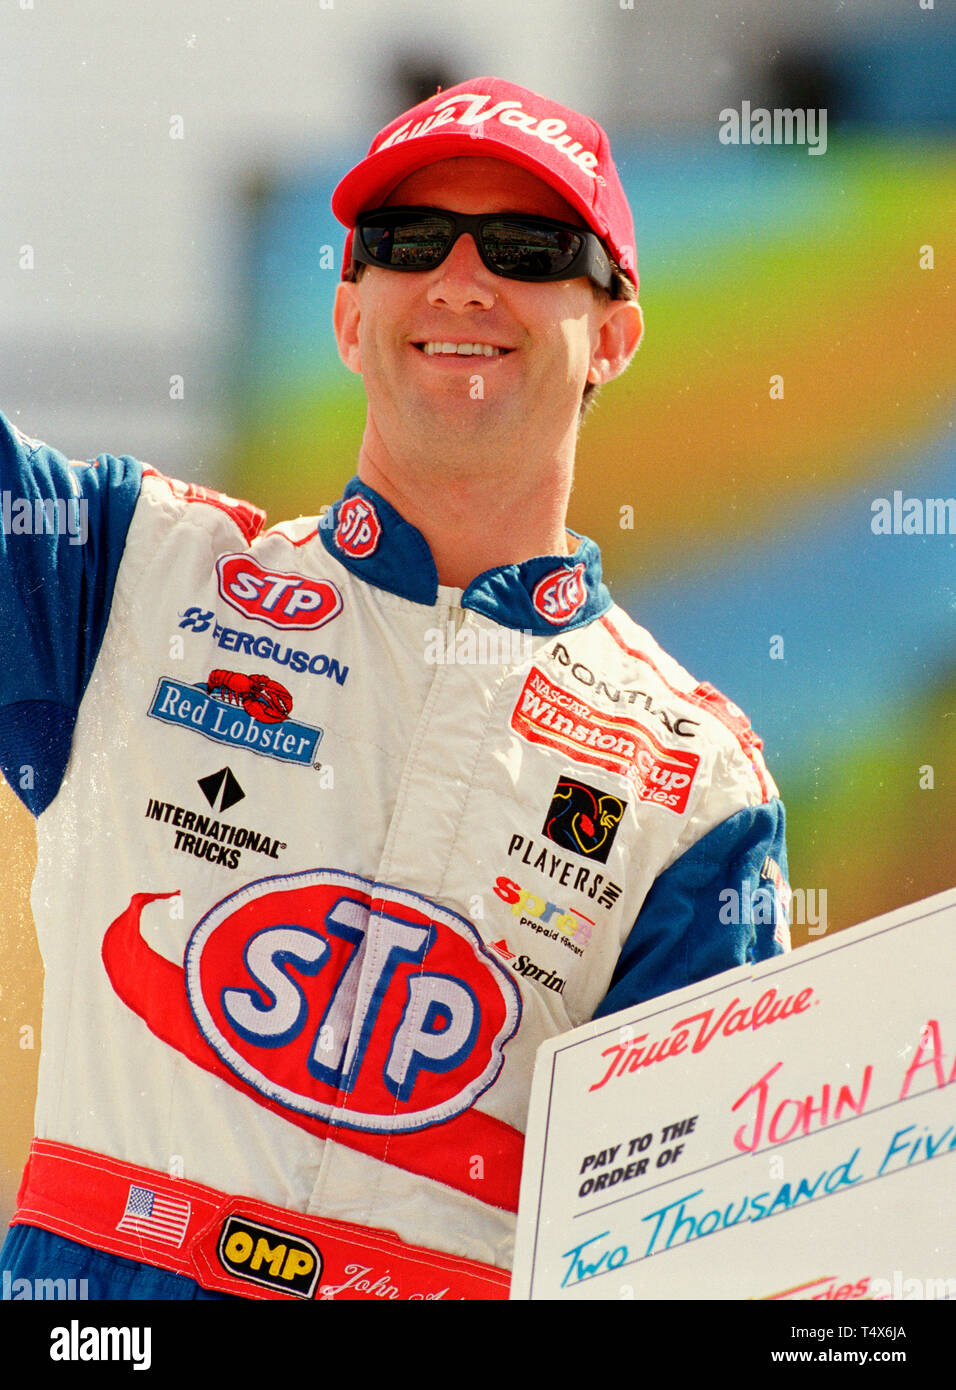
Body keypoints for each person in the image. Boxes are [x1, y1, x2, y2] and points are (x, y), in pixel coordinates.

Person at [0, 77, 789, 1302]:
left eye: (527, 249)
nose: (461, 281)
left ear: (614, 337)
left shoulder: (695, 786)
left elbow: (690, 1246)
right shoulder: (126, 566)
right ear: (347, 314)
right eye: (409, 240)